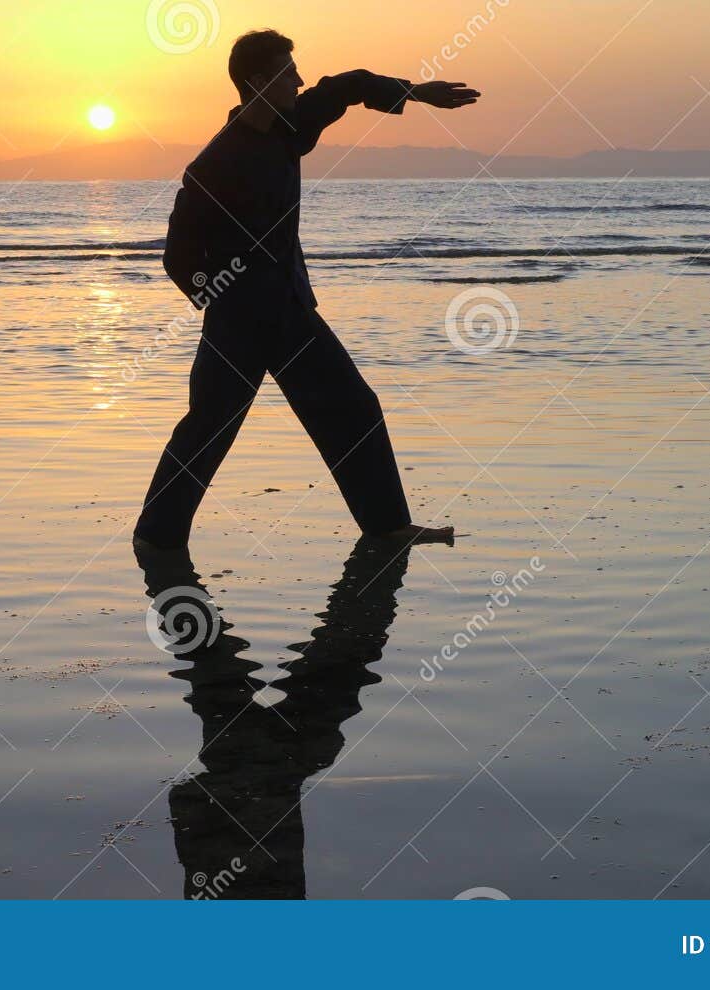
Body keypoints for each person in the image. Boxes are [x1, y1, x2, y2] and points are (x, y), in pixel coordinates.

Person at [132, 29, 479, 551]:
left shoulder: (289, 127)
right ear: (258, 82)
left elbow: (347, 85)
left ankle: (387, 528)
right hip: (238, 323)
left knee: (354, 408)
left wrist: (413, 92)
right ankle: (156, 538)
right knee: (209, 426)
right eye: (287, 72)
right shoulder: (213, 164)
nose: (298, 81)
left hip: (292, 311)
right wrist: (219, 298)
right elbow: (178, 257)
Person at [135, 537, 414, 898]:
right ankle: (160, 548)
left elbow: (188, 801)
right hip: (254, 773)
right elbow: (187, 801)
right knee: (229, 678)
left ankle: (160, 548)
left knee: (226, 676)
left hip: (255, 771)